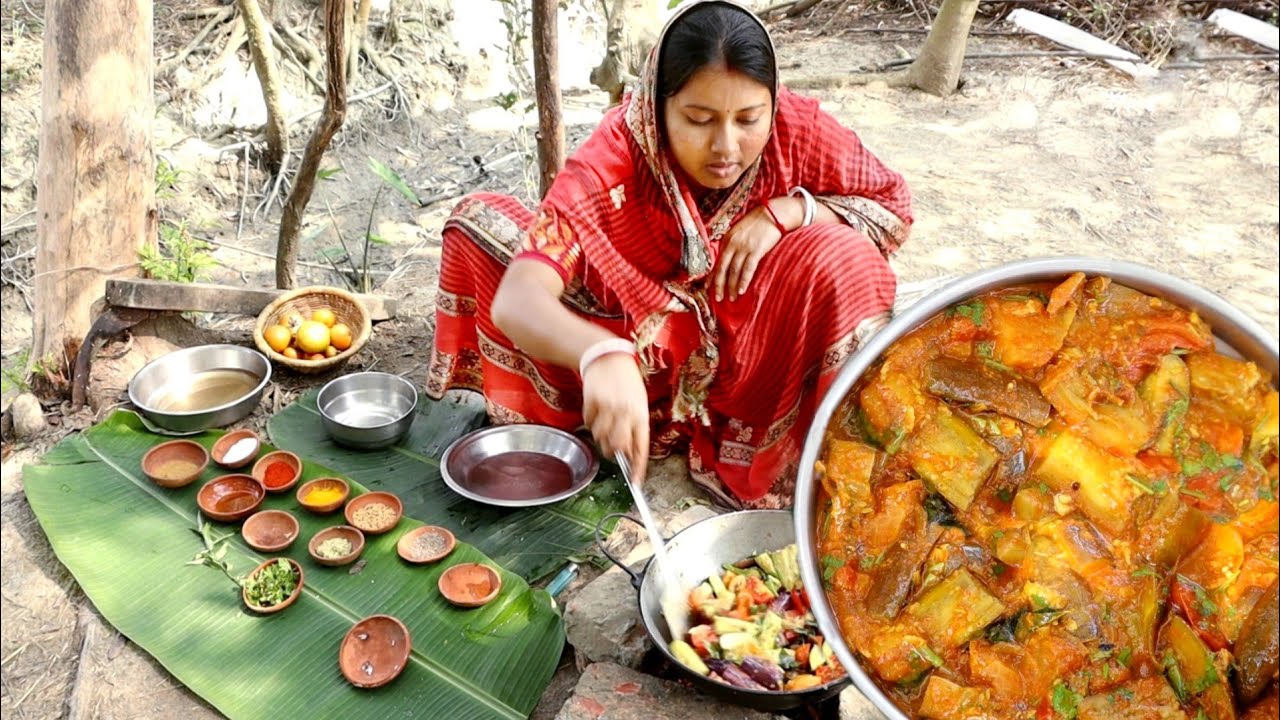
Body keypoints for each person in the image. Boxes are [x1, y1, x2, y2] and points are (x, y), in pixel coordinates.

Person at [427, 0, 912, 509]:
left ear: (772, 103)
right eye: (699, 120)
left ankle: (807, 457)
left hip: (751, 349)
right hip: (639, 349)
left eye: (749, 119)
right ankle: (617, 411)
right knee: (476, 223)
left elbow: (893, 207)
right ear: (658, 107)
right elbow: (518, 299)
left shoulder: (797, 128)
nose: (726, 146)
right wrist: (599, 354)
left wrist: (792, 211)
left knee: (845, 257)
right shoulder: (616, 155)